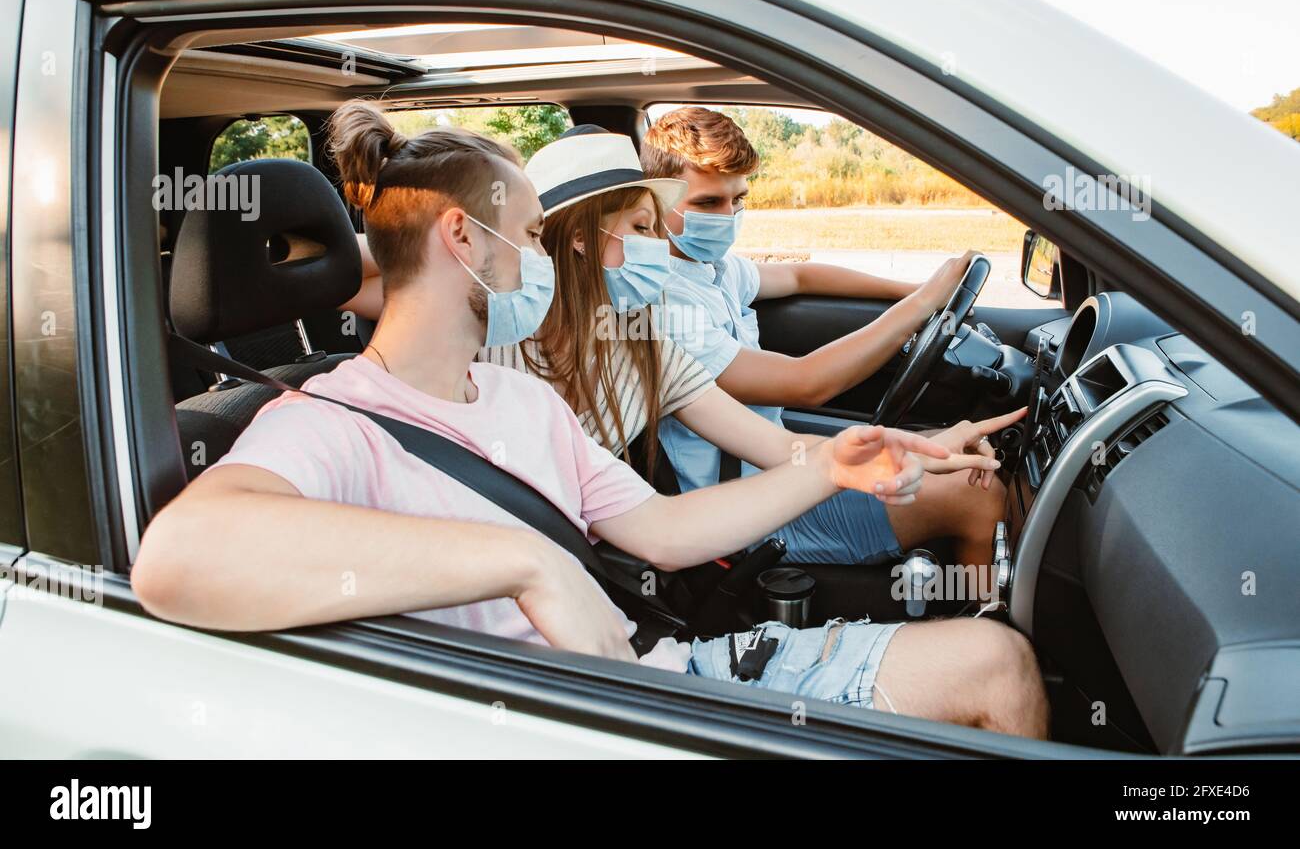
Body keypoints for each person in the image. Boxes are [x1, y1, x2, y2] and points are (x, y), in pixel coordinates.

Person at [133, 101, 1047, 736]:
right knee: (994, 670)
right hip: (564, 721)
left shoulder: (520, 398)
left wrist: (829, 468)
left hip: (647, 675)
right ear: (463, 238)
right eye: (531, 235)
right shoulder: (329, 419)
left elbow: (656, 529)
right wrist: (525, 561)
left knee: (994, 662)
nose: (547, 258)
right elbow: (178, 560)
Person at [345, 125, 1019, 570]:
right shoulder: (489, 333)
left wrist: (907, 448)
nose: (656, 245)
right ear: (577, 238)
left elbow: (774, 447)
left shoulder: (646, 346)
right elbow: (378, 271)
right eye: (640, 226)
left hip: (618, 560)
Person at [642, 107, 1004, 568]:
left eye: (739, 199)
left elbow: (798, 275)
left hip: (778, 468)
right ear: (656, 200)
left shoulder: (712, 269)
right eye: (709, 203)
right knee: (980, 495)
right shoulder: (665, 302)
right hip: (742, 514)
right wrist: (920, 306)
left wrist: (909, 290)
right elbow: (806, 382)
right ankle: (981, 621)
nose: (729, 216)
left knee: (963, 454)